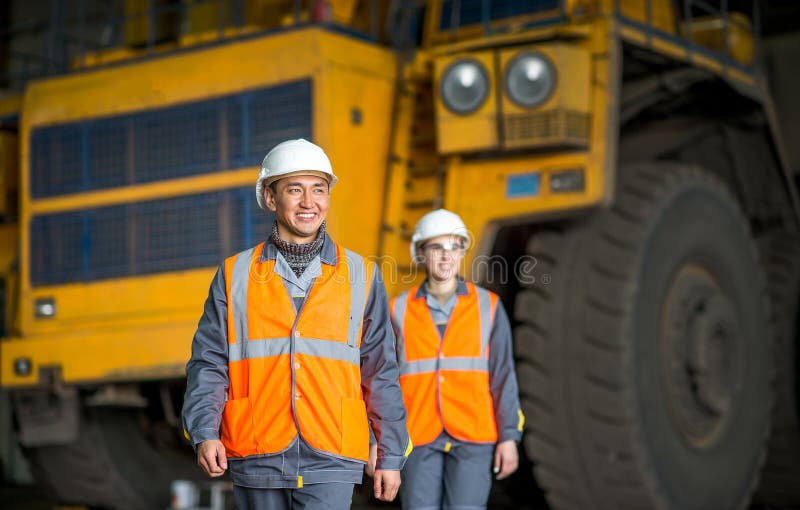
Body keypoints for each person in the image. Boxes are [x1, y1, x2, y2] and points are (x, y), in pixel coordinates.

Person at [182, 138, 411, 510]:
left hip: (333, 452)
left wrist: (390, 453)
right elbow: (209, 363)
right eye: (295, 190)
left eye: (318, 189)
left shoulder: (362, 275)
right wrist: (205, 432)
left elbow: (380, 370)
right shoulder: (234, 274)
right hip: (258, 449)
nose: (309, 202)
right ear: (271, 199)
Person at [387, 209, 524, 509]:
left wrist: (508, 437)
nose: (446, 256)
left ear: (463, 251)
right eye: (436, 247)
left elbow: (503, 376)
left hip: (474, 432)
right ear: (420, 253)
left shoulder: (487, 306)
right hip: (418, 432)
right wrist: (379, 443)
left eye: (454, 246)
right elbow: (382, 383)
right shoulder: (397, 310)